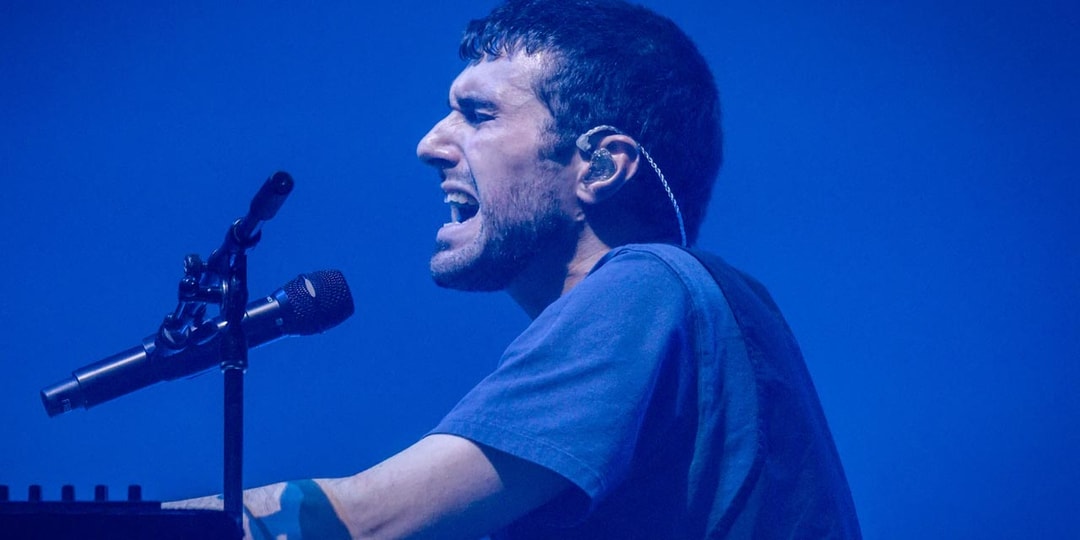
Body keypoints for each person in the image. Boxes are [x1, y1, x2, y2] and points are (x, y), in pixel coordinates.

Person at [170, 0, 862, 537]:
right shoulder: (721, 309)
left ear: (599, 165)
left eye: (477, 113)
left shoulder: (647, 284)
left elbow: (367, 521)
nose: (429, 145)